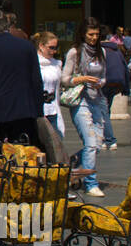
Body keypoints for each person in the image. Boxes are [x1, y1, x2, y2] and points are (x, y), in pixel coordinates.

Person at [0, 8, 43, 145]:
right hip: (26, 110)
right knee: (26, 155)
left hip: (0, 112)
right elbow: (36, 81)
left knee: (2, 156)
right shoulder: (27, 46)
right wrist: (38, 110)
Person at [62, 18, 110, 196]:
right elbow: (65, 79)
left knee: (98, 143)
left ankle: (74, 161)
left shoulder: (101, 52)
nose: (94, 38)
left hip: (96, 99)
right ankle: (91, 182)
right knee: (90, 143)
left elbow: (104, 76)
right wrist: (82, 79)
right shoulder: (74, 52)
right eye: (91, 34)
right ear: (83, 34)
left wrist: (100, 83)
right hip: (80, 100)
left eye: (97, 34)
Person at [34, 32, 66, 140]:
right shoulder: (33, 63)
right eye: (51, 48)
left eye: (56, 48)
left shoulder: (57, 64)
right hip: (38, 111)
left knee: (56, 144)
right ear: (41, 46)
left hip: (53, 110)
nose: (54, 51)